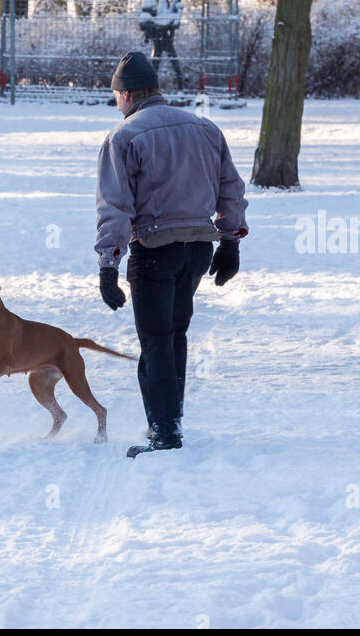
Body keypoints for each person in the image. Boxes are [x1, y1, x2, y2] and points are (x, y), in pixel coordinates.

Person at [95, 50, 248, 458]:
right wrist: (230, 241)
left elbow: (115, 207)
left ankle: (165, 432)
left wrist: (108, 264)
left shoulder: (124, 136)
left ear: (125, 95)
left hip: (154, 251)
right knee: (175, 335)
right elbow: (231, 187)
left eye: (116, 98)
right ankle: (169, 420)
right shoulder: (204, 127)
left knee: (157, 341)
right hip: (197, 250)